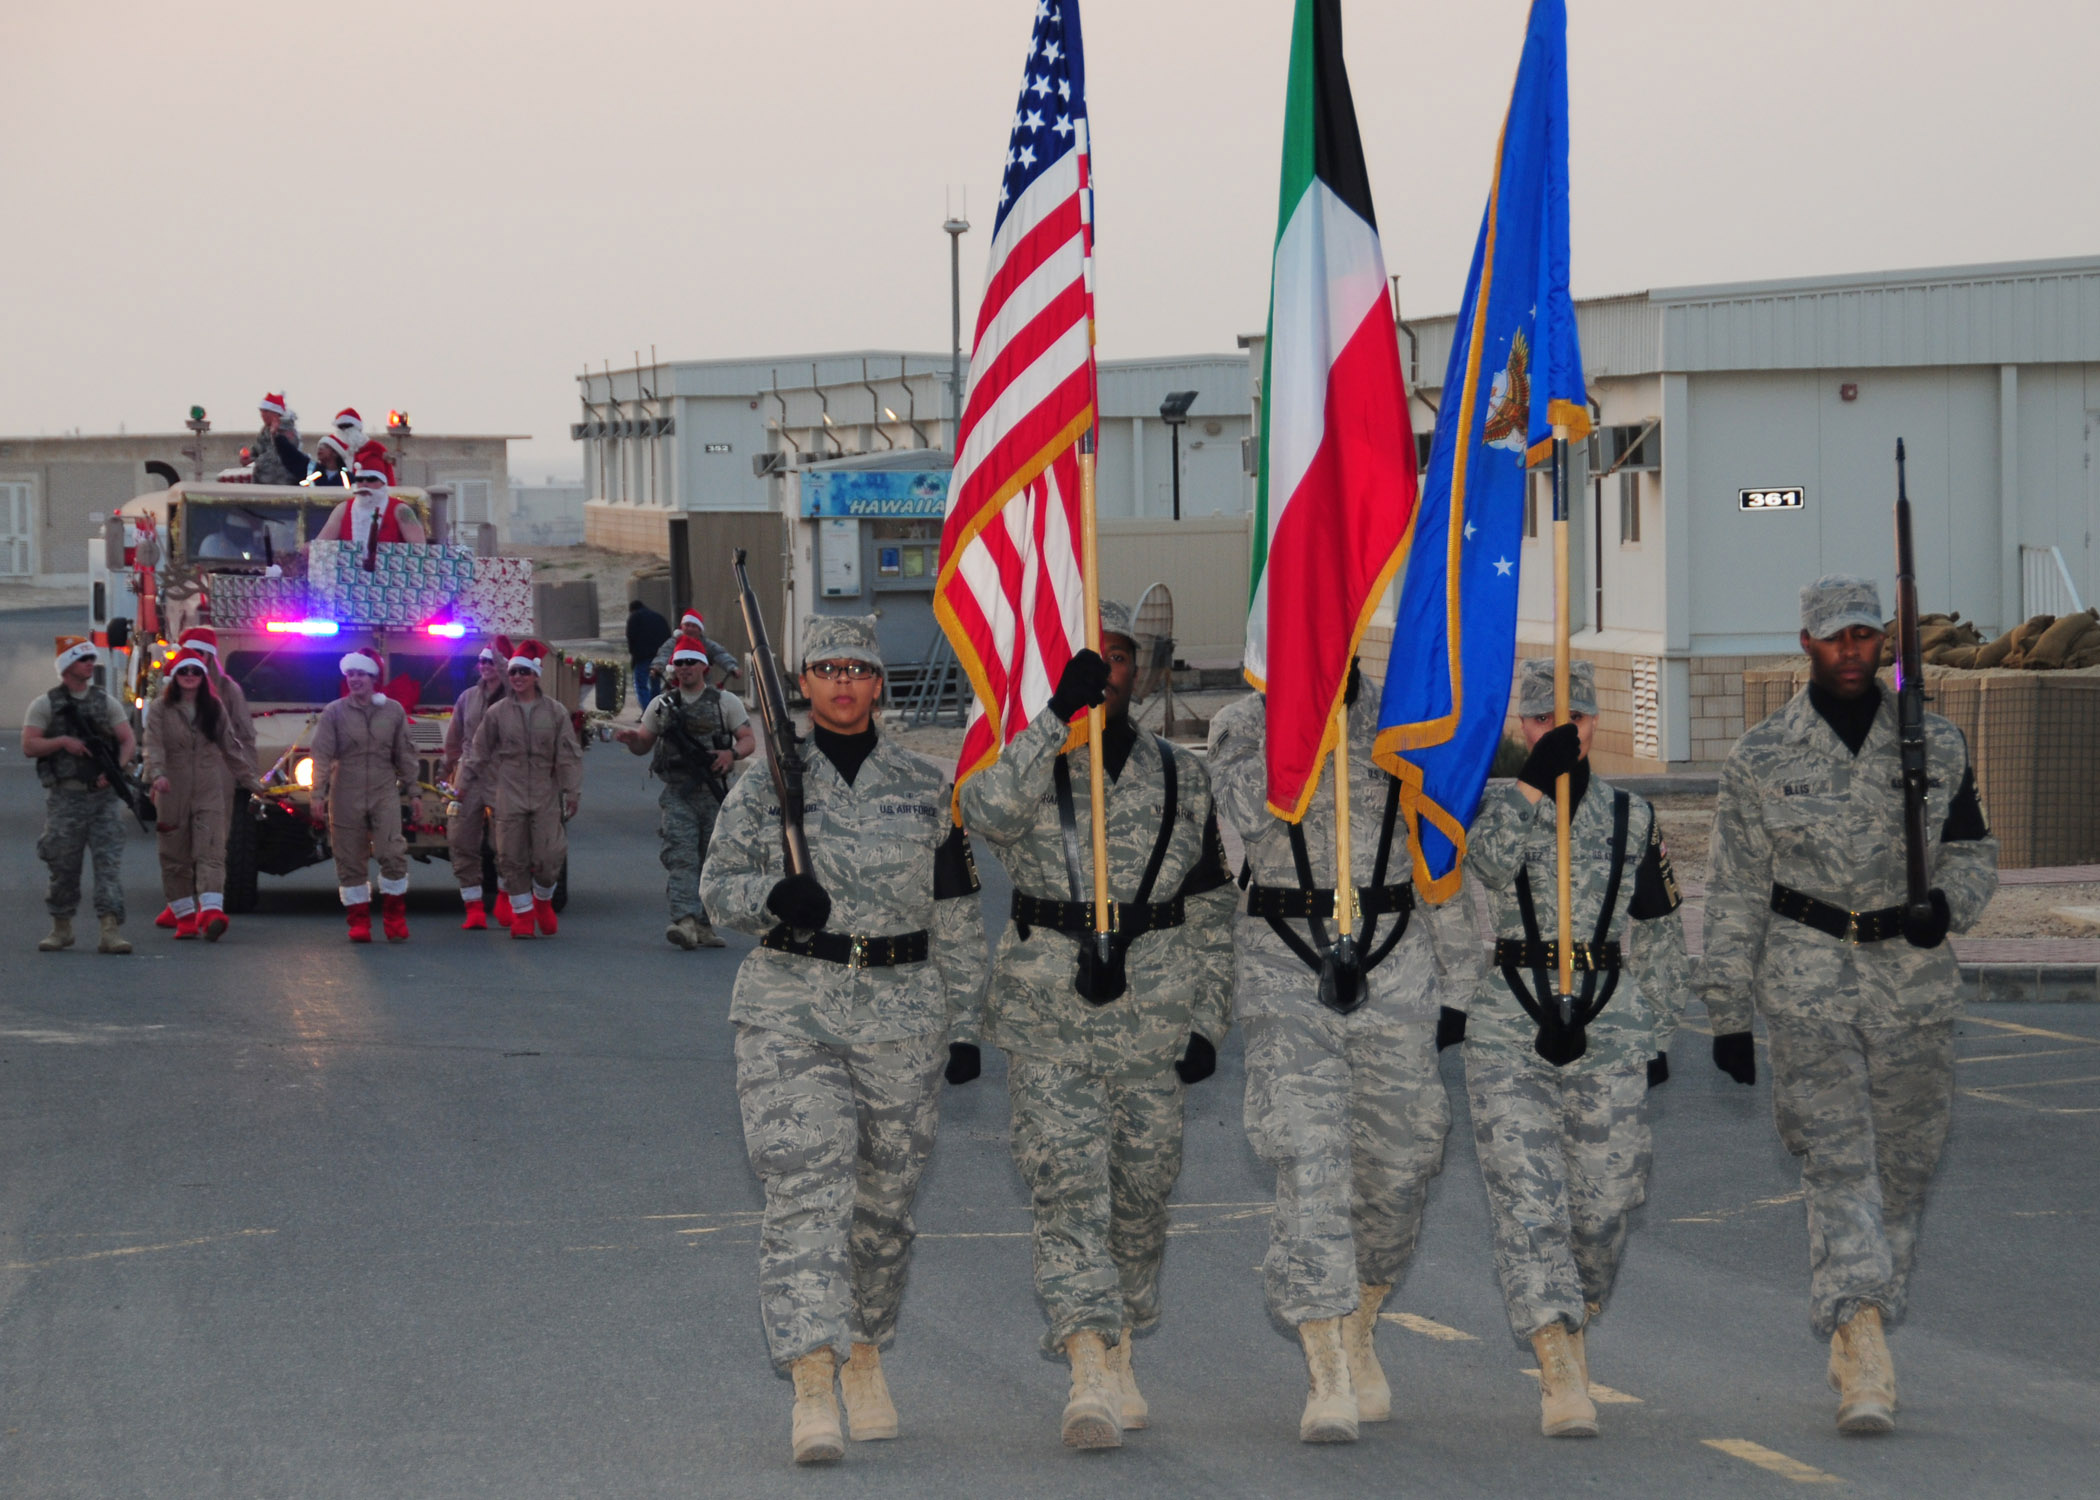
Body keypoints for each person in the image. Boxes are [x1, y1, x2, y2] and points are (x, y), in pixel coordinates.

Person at [1700, 575, 1997, 1435]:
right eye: (1835, 638)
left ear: (1885, 642)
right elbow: (1734, 890)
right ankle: (1862, 1338)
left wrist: (1950, 903)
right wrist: (1726, 1010)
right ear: (1805, 644)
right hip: (1807, 976)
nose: (1851, 652)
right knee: (1837, 1162)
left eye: (1865, 636)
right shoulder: (1761, 755)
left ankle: (1856, 1307)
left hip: (1912, 979)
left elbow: (1974, 850)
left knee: (1904, 1168)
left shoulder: (1936, 745)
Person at [698, 614, 988, 1466]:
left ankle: (865, 1350)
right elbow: (718, 890)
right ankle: (813, 1381)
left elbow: (959, 915)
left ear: (879, 683)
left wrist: (965, 1023)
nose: (842, 682)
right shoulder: (765, 786)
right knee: (805, 1194)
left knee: (883, 1208)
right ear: (803, 682)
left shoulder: (924, 786)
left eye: (858, 668)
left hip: (902, 1011)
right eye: (825, 668)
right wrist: (774, 898)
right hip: (793, 1006)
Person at [957, 602, 1235, 1448]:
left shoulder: (1185, 776)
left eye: (1120, 659)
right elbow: (984, 813)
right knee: (1067, 1187)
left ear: (1138, 672)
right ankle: (1086, 1364)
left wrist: (1210, 1020)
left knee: (1142, 1196)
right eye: (1093, 659)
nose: (1109, 672)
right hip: (1049, 1010)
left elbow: (1212, 901)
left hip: (1154, 1010)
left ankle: (1120, 1336)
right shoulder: (1031, 762)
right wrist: (1051, 719)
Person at [1207, 662, 1467, 1443]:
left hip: (1396, 963)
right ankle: (1326, 1365)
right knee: (1309, 1162)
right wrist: (1303, 713)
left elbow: (1438, 847)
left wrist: (1462, 981)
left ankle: (1363, 1317)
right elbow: (1249, 813)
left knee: (1403, 1163)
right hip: (1287, 967)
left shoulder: (1409, 715)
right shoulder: (1246, 721)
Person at [1445, 658, 1690, 1438]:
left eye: (1576, 719)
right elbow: (1480, 866)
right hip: (1511, 1021)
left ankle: (1573, 1314)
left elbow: (1657, 932)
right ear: (1524, 729)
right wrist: (1527, 787)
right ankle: (1556, 1361)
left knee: (1607, 1204)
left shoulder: (1631, 818)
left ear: (1595, 725)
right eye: (1545, 721)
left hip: (1608, 1016)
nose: (1563, 732)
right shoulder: (1498, 810)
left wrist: (1658, 1030)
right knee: (1529, 1203)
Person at [613, 630, 753, 949]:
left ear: (704, 666)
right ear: (673, 668)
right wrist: (632, 741)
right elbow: (644, 744)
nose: (685, 668)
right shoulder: (662, 706)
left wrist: (731, 754)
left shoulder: (725, 703)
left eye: (691, 662)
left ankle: (704, 924)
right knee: (682, 856)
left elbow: (747, 739)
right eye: (679, 663)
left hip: (713, 795)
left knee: (711, 860)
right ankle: (684, 921)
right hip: (678, 794)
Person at [22, 637, 134, 954]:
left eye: (91, 658)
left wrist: (115, 770)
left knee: (108, 865)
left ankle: (110, 930)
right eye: (83, 658)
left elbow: (127, 741)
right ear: (67, 666)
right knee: (63, 865)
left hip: (103, 800)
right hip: (65, 799)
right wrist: (62, 743)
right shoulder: (45, 704)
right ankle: (61, 928)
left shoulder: (105, 702)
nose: (90, 663)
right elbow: (29, 745)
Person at [463, 640, 581, 939]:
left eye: (524, 673)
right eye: (513, 672)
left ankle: (542, 901)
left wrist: (572, 791)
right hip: (509, 793)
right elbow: (478, 750)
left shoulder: (555, 712)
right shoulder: (497, 712)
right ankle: (523, 917)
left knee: (549, 856)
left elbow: (567, 754)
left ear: (535, 676)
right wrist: (462, 785)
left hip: (543, 791)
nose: (517, 677)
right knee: (510, 858)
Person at [144, 646, 260, 941]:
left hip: (209, 788)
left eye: (196, 671)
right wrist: (157, 775)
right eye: (184, 671)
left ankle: (210, 913)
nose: (190, 676)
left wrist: (252, 781)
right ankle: (184, 918)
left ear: (203, 675)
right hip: (172, 788)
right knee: (175, 855)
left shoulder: (215, 707)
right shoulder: (160, 708)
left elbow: (231, 748)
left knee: (211, 851)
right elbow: (153, 745)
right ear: (175, 676)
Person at [310, 650, 423, 942]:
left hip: (384, 789)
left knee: (392, 852)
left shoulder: (393, 711)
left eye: (361, 674)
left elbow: (405, 754)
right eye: (351, 675)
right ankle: (359, 922)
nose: (355, 680)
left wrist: (415, 792)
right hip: (345, 790)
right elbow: (321, 755)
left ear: (373, 678)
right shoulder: (334, 712)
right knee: (349, 858)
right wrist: (318, 795)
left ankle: (394, 918)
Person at [441, 639, 510, 930]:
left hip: (503, 775)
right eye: (482, 662)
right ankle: (473, 907)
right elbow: (455, 738)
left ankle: (507, 899)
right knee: (460, 840)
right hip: (468, 777)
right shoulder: (467, 697)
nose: (485, 667)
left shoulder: (513, 697)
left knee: (507, 843)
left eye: (491, 662)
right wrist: (447, 770)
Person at [317, 461, 426, 546]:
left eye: (371, 479)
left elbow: (419, 548)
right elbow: (321, 544)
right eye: (360, 479)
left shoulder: (400, 510)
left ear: (383, 483)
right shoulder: (343, 509)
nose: (364, 484)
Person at [650, 608, 741, 692]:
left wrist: (732, 667)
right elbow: (664, 654)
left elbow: (720, 654)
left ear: (700, 629)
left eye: (694, 626)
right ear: (682, 626)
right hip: (674, 685)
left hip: (703, 686)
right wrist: (658, 666)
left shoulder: (707, 644)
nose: (690, 629)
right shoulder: (672, 643)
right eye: (687, 625)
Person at [626, 597, 672, 710]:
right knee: (655, 684)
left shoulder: (635, 617)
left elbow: (631, 637)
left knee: (641, 685)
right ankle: (656, 710)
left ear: (632, 610)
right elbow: (668, 637)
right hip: (658, 657)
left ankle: (648, 713)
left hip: (642, 657)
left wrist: (634, 655)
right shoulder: (658, 617)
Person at [252, 393, 299, 486]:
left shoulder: (288, 431)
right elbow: (257, 451)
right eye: (261, 411)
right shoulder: (264, 431)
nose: (262, 414)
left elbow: (284, 454)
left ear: (276, 413)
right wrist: (249, 458)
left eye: (265, 411)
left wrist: (275, 435)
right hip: (262, 480)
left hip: (282, 482)